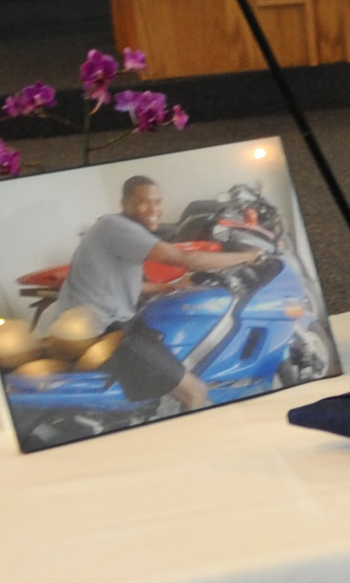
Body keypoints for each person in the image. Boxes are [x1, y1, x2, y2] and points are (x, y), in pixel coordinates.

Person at [52, 175, 266, 413]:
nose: (154, 209)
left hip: (104, 326)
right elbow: (188, 259)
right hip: (103, 334)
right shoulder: (117, 227)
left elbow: (118, 285)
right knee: (196, 393)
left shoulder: (116, 228)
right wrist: (248, 256)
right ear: (125, 203)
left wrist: (169, 287)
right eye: (144, 202)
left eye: (158, 202)